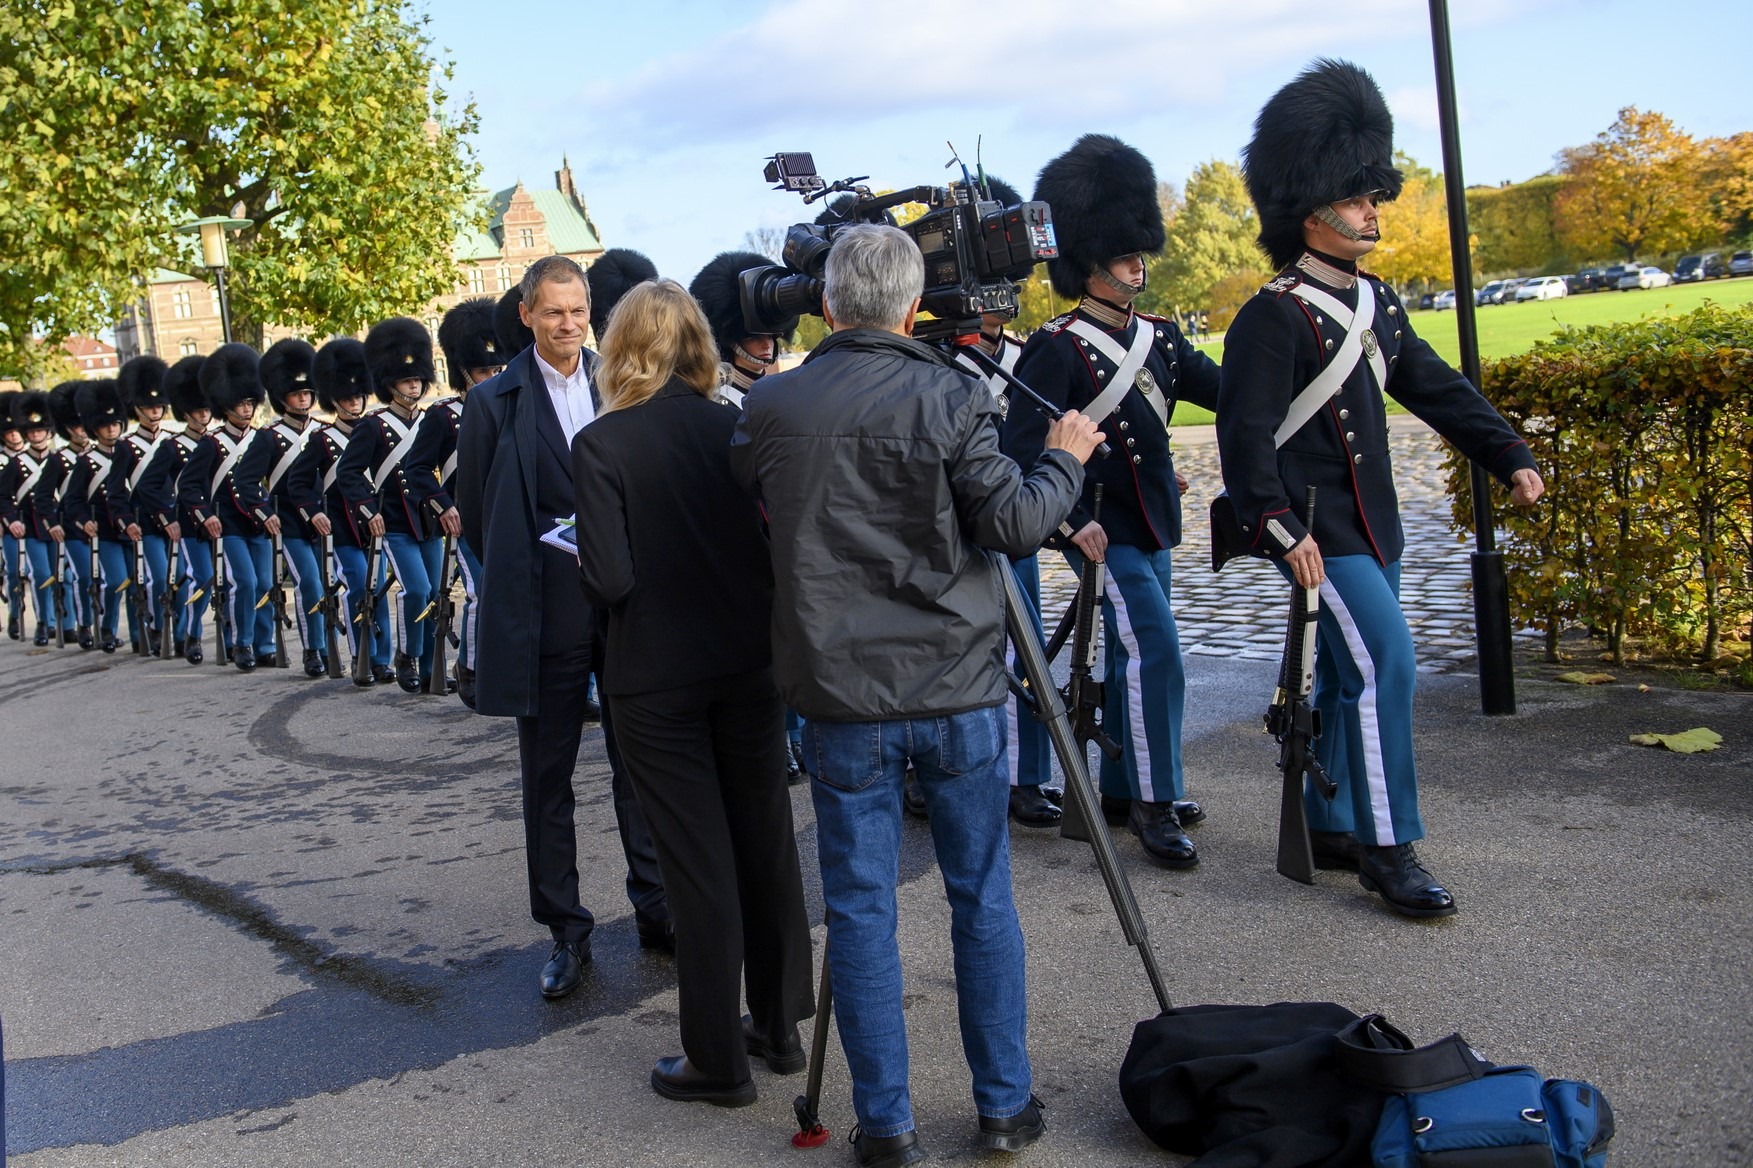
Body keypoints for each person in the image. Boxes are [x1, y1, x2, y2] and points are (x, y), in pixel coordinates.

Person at [731, 224, 1104, 1167]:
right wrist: (1064, 455)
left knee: (860, 911)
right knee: (980, 898)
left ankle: (886, 1126)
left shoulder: (773, 404)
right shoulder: (948, 392)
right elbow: (1012, 523)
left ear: (824, 307)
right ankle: (1002, 1109)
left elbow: (757, 503)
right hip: (954, 687)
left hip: (841, 695)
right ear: (910, 308)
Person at [1220, 59, 1545, 918]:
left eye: (1371, 197)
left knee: (1341, 677)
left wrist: (1505, 450)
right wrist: (1277, 525)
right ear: (1312, 206)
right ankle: (1388, 845)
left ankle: (1329, 819)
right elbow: (1244, 439)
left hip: (1377, 528)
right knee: (1386, 666)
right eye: (1358, 197)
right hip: (1321, 535)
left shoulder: (1376, 302)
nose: (1372, 210)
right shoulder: (1270, 315)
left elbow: (1433, 386)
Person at [573, 278, 813, 1108]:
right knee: (765, 842)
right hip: (747, 662)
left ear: (622, 348)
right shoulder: (736, 425)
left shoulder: (603, 446)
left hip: (656, 678)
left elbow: (606, 577)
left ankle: (716, 1058)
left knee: (697, 865)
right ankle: (780, 1027)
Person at [454, 254, 668, 1000]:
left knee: (638, 763)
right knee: (547, 777)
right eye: (553, 312)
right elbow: (480, 523)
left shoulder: (621, 380)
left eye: (578, 311)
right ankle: (566, 933)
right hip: (544, 609)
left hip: (623, 603)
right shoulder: (492, 404)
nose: (568, 325)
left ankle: (654, 905)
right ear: (526, 314)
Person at [1004, 135, 1220, 869]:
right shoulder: (1057, 346)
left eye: (1137, 251)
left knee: (1142, 656)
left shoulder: (1158, 337)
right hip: (1104, 528)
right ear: (1089, 262)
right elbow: (1022, 449)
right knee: (1155, 652)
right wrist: (1068, 523)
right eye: (1125, 254)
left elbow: (1223, 393)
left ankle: (1131, 787)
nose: (1139, 262)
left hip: (1153, 518)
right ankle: (1156, 806)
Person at [404, 297, 505, 705]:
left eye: (498, 368)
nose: (493, 376)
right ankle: (470, 667)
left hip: (510, 516)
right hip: (468, 521)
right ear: (464, 371)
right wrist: (443, 505)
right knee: (481, 594)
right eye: (484, 370)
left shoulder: (510, 405)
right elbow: (415, 470)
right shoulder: (443, 416)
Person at [335, 318, 443, 693]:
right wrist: (368, 510)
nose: (413, 383)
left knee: (434, 593)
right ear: (389, 383)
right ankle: (408, 655)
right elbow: (348, 473)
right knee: (415, 589)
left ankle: (431, 667)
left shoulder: (431, 420)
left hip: (428, 521)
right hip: (394, 522)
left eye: (416, 378)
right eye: (405, 379)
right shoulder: (374, 426)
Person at [288, 337, 394, 685]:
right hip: (344, 529)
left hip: (376, 525)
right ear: (335, 401)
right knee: (360, 586)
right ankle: (360, 653)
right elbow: (298, 485)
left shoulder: (378, 430)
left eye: (358, 396)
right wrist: (312, 513)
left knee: (378, 588)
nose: (354, 402)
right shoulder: (322, 439)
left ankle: (383, 658)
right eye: (347, 398)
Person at [184, 343, 277, 671]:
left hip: (258, 522)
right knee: (245, 583)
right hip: (228, 525)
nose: (247, 408)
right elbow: (189, 487)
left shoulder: (263, 438)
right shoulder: (211, 444)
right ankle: (242, 643)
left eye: (250, 402)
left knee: (266, 584)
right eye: (240, 403)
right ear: (226, 405)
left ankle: (266, 644)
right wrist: (205, 516)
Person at [254, 339, 328, 676]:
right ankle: (313, 649)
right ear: (282, 396)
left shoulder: (324, 433)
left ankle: (333, 646)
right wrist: (264, 513)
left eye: (307, 392)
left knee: (332, 586)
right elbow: (245, 483)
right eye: (296, 392)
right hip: (289, 525)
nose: (303, 397)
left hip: (325, 521)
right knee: (310, 584)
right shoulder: (269, 437)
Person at [63, 380, 141, 653]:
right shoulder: (86, 461)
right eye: (106, 425)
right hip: (105, 531)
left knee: (137, 583)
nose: (112, 428)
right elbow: (72, 500)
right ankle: (107, 626)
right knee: (118, 581)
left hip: (131, 527)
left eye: (116, 423)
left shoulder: (131, 453)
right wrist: (85, 521)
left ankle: (138, 634)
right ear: (96, 428)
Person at [119, 356, 178, 656]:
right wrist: (126, 520)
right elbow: (117, 491)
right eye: (149, 407)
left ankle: (178, 629)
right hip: (144, 523)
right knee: (156, 577)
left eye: (158, 406)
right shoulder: (126, 446)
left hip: (175, 519)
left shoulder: (172, 441)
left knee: (180, 577)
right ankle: (156, 628)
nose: (155, 411)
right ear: (137, 409)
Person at [3, 393, 62, 646]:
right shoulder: (16, 464)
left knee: (61, 576)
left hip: (55, 525)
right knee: (32, 574)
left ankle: (64, 622)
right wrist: (11, 520)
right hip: (26, 526)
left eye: (41, 431)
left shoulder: (57, 460)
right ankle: (35, 619)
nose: (35, 435)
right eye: (32, 432)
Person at [166, 355, 214, 663]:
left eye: (207, 408)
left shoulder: (219, 442)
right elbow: (151, 487)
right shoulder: (172, 447)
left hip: (223, 520)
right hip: (189, 521)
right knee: (205, 578)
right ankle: (192, 633)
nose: (204, 414)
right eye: (198, 409)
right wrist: (167, 517)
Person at [42, 381, 96, 647]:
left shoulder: (106, 455)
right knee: (84, 576)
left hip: (103, 525)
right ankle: (84, 625)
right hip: (73, 528)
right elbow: (42, 497)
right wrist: (52, 523)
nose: (81, 431)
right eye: (76, 426)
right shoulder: (58, 460)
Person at [0, 392, 29, 641]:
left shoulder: (35, 458)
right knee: (14, 571)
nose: (14, 435)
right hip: (6, 522)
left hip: (34, 520)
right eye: (9, 432)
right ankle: (14, 612)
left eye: (16, 431)